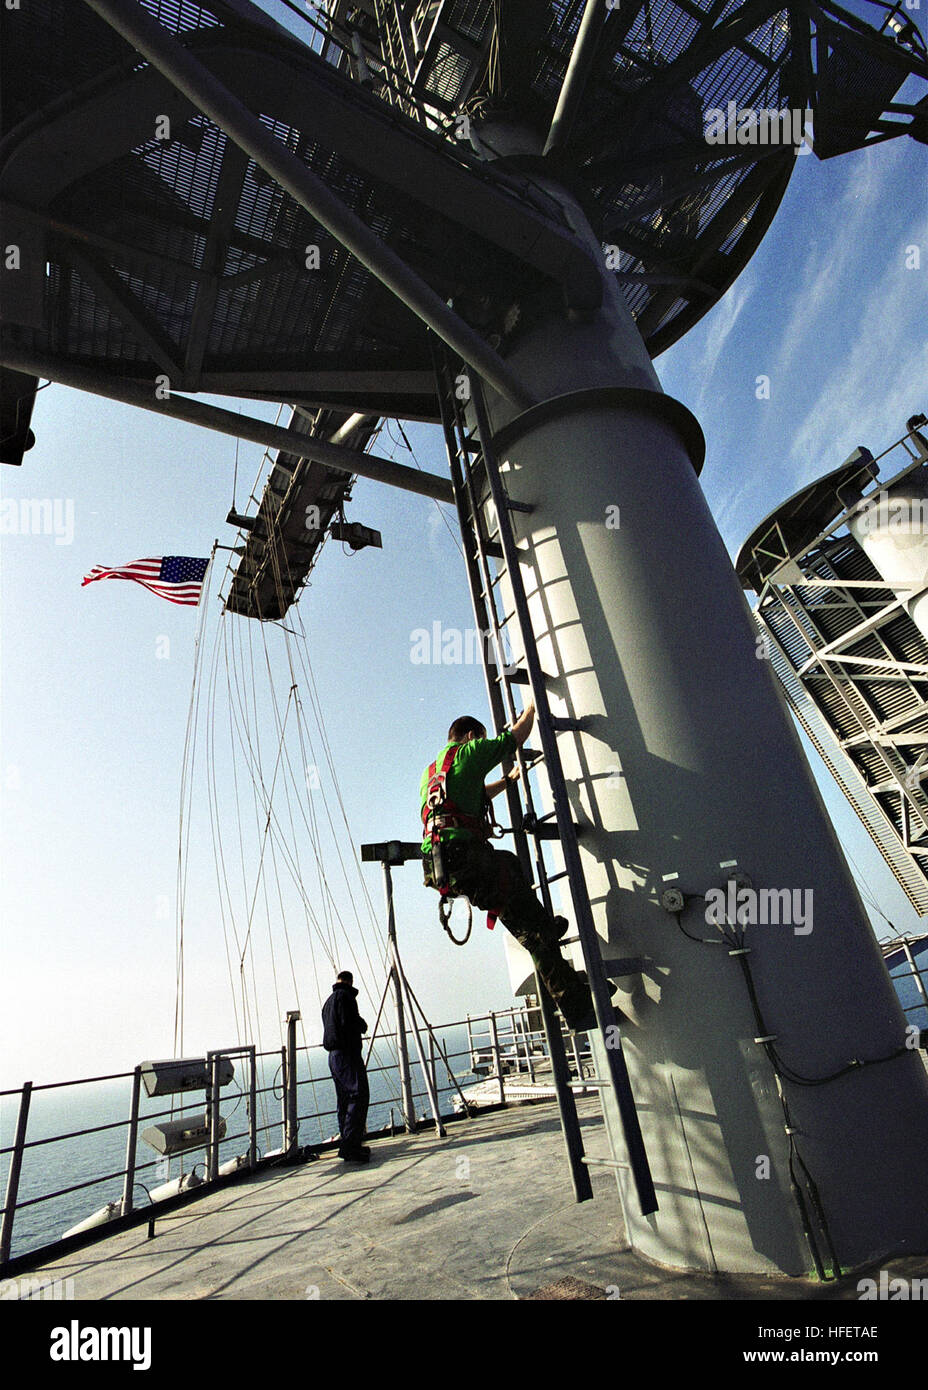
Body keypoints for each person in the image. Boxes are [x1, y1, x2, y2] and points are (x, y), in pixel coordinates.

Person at [420, 706, 597, 1033]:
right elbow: (514, 737)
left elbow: (472, 795)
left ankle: (549, 935)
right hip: (466, 857)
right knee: (531, 928)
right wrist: (532, 705)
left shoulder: (433, 772)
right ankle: (577, 1005)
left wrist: (506, 781)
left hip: (441, 865)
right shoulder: (470, 751)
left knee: (511, 874)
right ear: (472, 735)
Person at [321, 971, 370, 1163]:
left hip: (333, 1057)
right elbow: (349, 1022)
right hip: (347, 1053)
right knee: (359, 1096)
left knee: (344, 1100)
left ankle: (347, 1144)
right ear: (350, 981)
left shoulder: (329, 1001)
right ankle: (351, 1147)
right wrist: (362, 1025)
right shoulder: (346, 997)